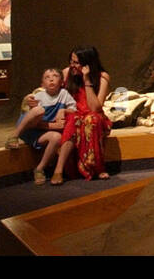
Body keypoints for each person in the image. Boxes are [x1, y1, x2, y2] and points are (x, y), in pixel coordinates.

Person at [49, 46, 113, 185]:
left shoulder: (102, 77)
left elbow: (95, 107)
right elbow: (48, 90)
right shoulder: (67, 73)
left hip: (92, 114)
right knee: (74, 120)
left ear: (87, 64)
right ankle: (58, 170)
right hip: (73, 113)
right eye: (71, 61)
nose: (72, 66)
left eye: (76, 63)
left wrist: (87, 80)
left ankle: (96, 168)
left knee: (92, 119)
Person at [7, 67, 75, 154]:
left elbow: (73, 109)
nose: (51, 79)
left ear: (62, 82)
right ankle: (14, 135)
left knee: (57, 137)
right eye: (47, 77)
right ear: (42, 84)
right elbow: (33, 118)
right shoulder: (38, 96)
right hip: (29, 128)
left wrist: (63, 111)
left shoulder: (64, 94)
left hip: (43, 131)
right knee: (39, 110)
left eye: (55, 76)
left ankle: (41, 167)